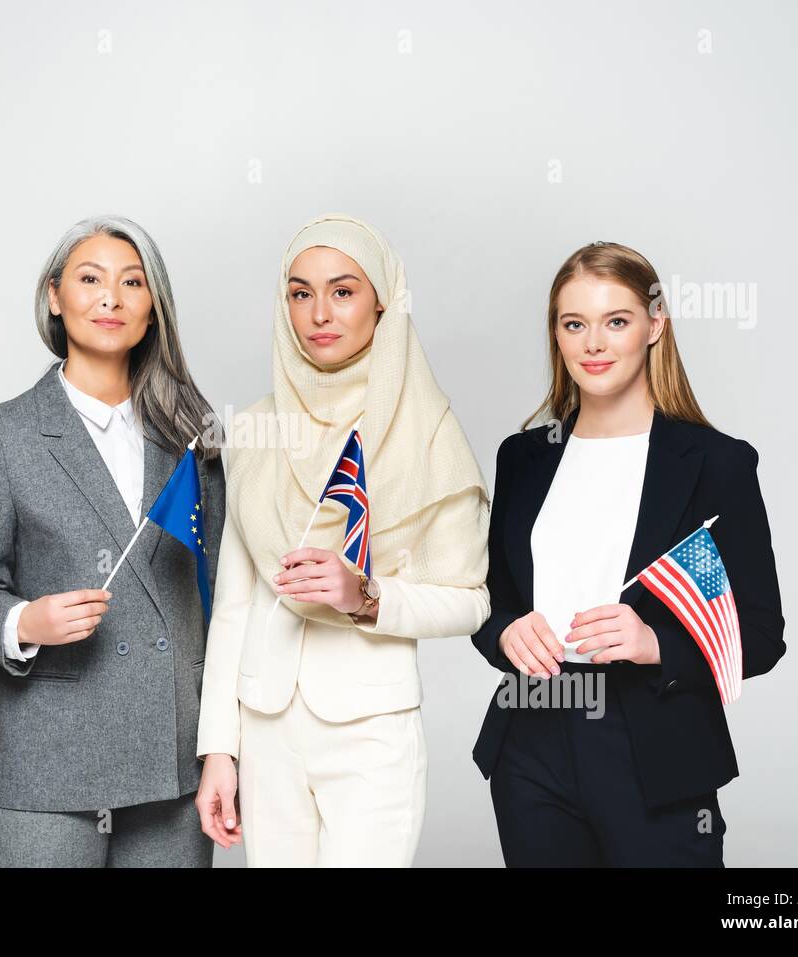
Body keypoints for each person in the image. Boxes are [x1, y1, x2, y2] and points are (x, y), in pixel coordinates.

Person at [470, 241, 785, 866]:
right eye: (574, 324)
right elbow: (489, 599)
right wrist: (505, 631)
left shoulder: (716, 464)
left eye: (616, 321)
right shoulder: (525, 457)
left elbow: (763, 633)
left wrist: (658, 644)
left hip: (656, 746)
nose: (594, 343)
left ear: (654, 326)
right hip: (531, 738)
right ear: (556, 336)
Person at [195, 213, 491, 866]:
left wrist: (366, 595)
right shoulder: (256, 429)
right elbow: (234, 605)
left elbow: (470, 598)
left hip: (369, 730)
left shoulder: (425, 427)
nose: (319, 312)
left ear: (382, 301)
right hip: (264, 724)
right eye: (300, 292)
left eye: (343, 290)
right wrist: (219, 747)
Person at [0, 215, 225, 867]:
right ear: (54, 295)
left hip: (174, 761)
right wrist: (23, 619)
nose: (110, 298)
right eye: (90, 279)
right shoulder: (4, 434)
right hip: (47, 763)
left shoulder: (193, 436)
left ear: (153, 308)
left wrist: (223, 745)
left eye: (132, 282)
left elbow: (222, 595)